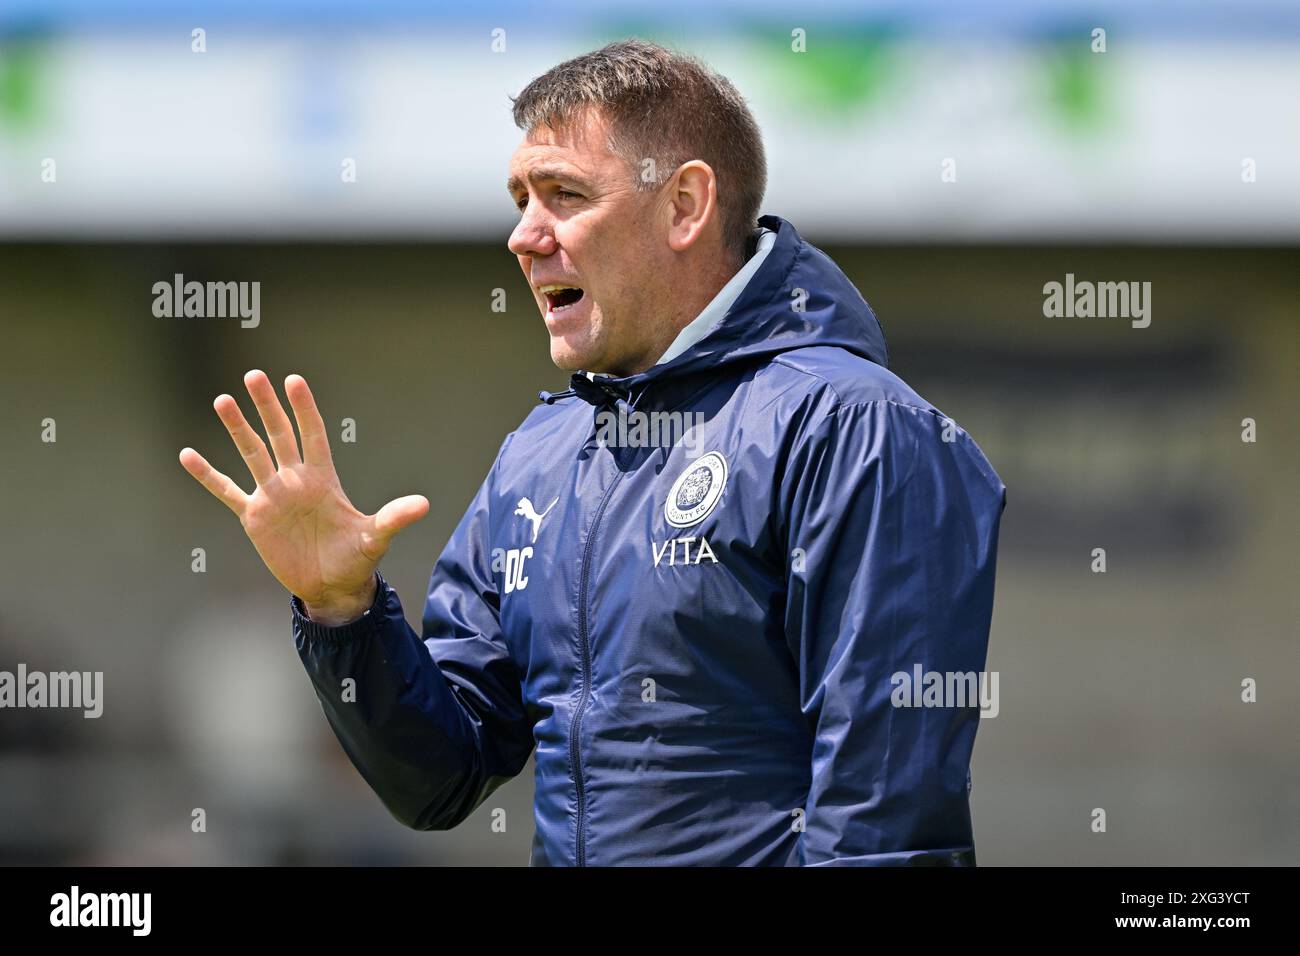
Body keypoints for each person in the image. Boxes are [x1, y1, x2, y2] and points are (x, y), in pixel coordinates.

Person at [178, 38, 1007, 866]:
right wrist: (342, 611)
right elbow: (439, 776)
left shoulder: (854, 430)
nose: (523, 237)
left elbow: (884, 831)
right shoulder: (542, 454)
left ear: (685, 205)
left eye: (564, 195)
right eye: (519, 199)